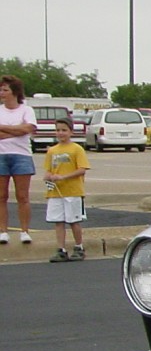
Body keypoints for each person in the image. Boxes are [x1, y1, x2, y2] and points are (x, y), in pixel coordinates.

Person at [43, 116, 89, 261]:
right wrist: (49, 177)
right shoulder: (52, 151)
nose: (61, 133)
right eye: (58, 130)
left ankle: (79, 246)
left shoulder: (77, 149)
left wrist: (64, 177)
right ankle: (61, 249)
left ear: (71, 132)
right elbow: (48, 170)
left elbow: (82, 169)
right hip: (55, 192)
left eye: (64, 130)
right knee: (59, 221)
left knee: (74, 221)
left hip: (73, 192)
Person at [0, 73, 38, 245]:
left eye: (5, 89)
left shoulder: (26, 110)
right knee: (1, 196)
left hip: (22, 156)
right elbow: (18, 131)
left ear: (14, 91)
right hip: (1, 155)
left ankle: (24, 231)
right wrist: (16, 130)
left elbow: (27, 129)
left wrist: (6, 129)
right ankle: (3, 231)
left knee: (22, 196)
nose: (2, 92)